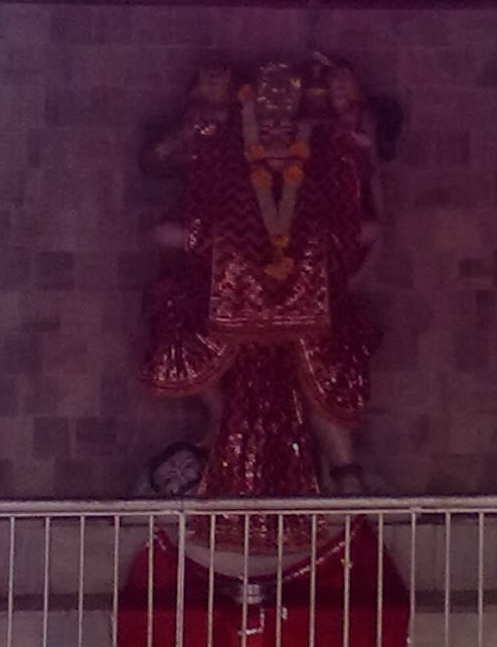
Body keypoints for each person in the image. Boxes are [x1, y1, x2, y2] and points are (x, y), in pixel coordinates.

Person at [141, 58, 381, 497]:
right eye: (264, 124)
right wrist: (196, 123)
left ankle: (345, 474)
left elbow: (363, 221)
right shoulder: (224, 168)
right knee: (184, 318)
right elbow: (156, 162)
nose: (275, 133)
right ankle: (213, 436)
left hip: (306, 311)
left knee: (325, 356)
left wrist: (356, 128)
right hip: (229, 305)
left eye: (285, 125)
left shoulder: (319, 172)